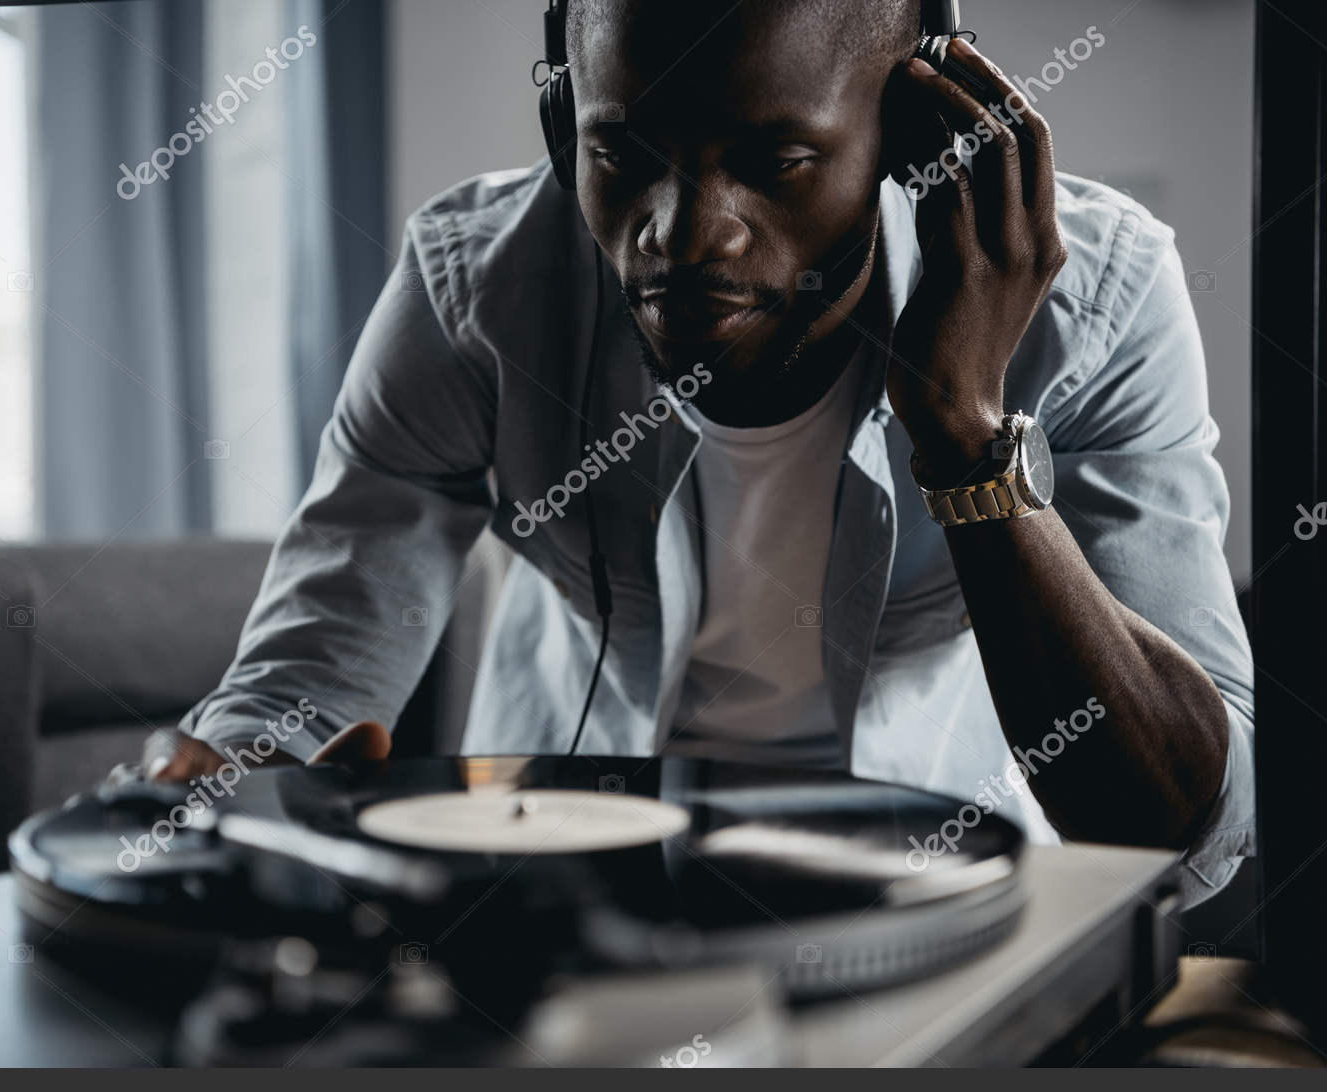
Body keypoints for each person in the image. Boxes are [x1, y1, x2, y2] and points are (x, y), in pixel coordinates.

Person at [157, 0, 1252, 905]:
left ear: (913, 130)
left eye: (774, 160)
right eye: (620, 154)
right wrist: (237, 777)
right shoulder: (470, 291)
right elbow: (302, 680)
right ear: (558, 121)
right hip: (560, 881)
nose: (684, 236)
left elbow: (1185, 830)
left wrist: (964, 436)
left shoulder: (1096, 301)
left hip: (928, 889)